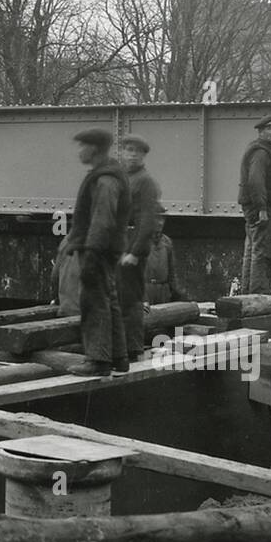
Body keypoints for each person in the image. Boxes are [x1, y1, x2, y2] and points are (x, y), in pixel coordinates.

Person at [63, 128, 133, 377]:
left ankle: (98, 360)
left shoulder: (105, 179)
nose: (80, 151)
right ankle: (118, 357)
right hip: (106, 248)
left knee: (94, 302)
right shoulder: (108, 175)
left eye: (83, 146)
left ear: (94, 148)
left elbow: (103, 219)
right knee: (108, 299)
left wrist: (92, 251)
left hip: (99, 248)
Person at [117, 134, 163, 362]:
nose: (132, 154)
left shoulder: (145, 181)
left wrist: (135, 252)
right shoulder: (123, 177)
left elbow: (147, 220)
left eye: (137, 151)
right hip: (118, 244)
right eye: (128, 149)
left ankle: (133, 349)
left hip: (131, 245)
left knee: (131, 299)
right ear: (122, 152)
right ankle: (121, 347)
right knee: (118, 297)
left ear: (143, 155)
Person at [239, 115, 271, 295]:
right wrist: (262, 209)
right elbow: (255, 181)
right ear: (261, 131)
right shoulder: (261, 153)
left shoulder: (258, 150)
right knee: (261, 251)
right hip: (260, 207)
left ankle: (247, 293)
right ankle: (257, 294)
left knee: (252, 250)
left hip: (253, 206)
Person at [143, 216, 188, 304]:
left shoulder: (167, 242)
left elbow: (172, 270)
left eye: (159, 232)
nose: (157, 235)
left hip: (163, 289)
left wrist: (176, 290)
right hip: (146, 288)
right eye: (155, 232)